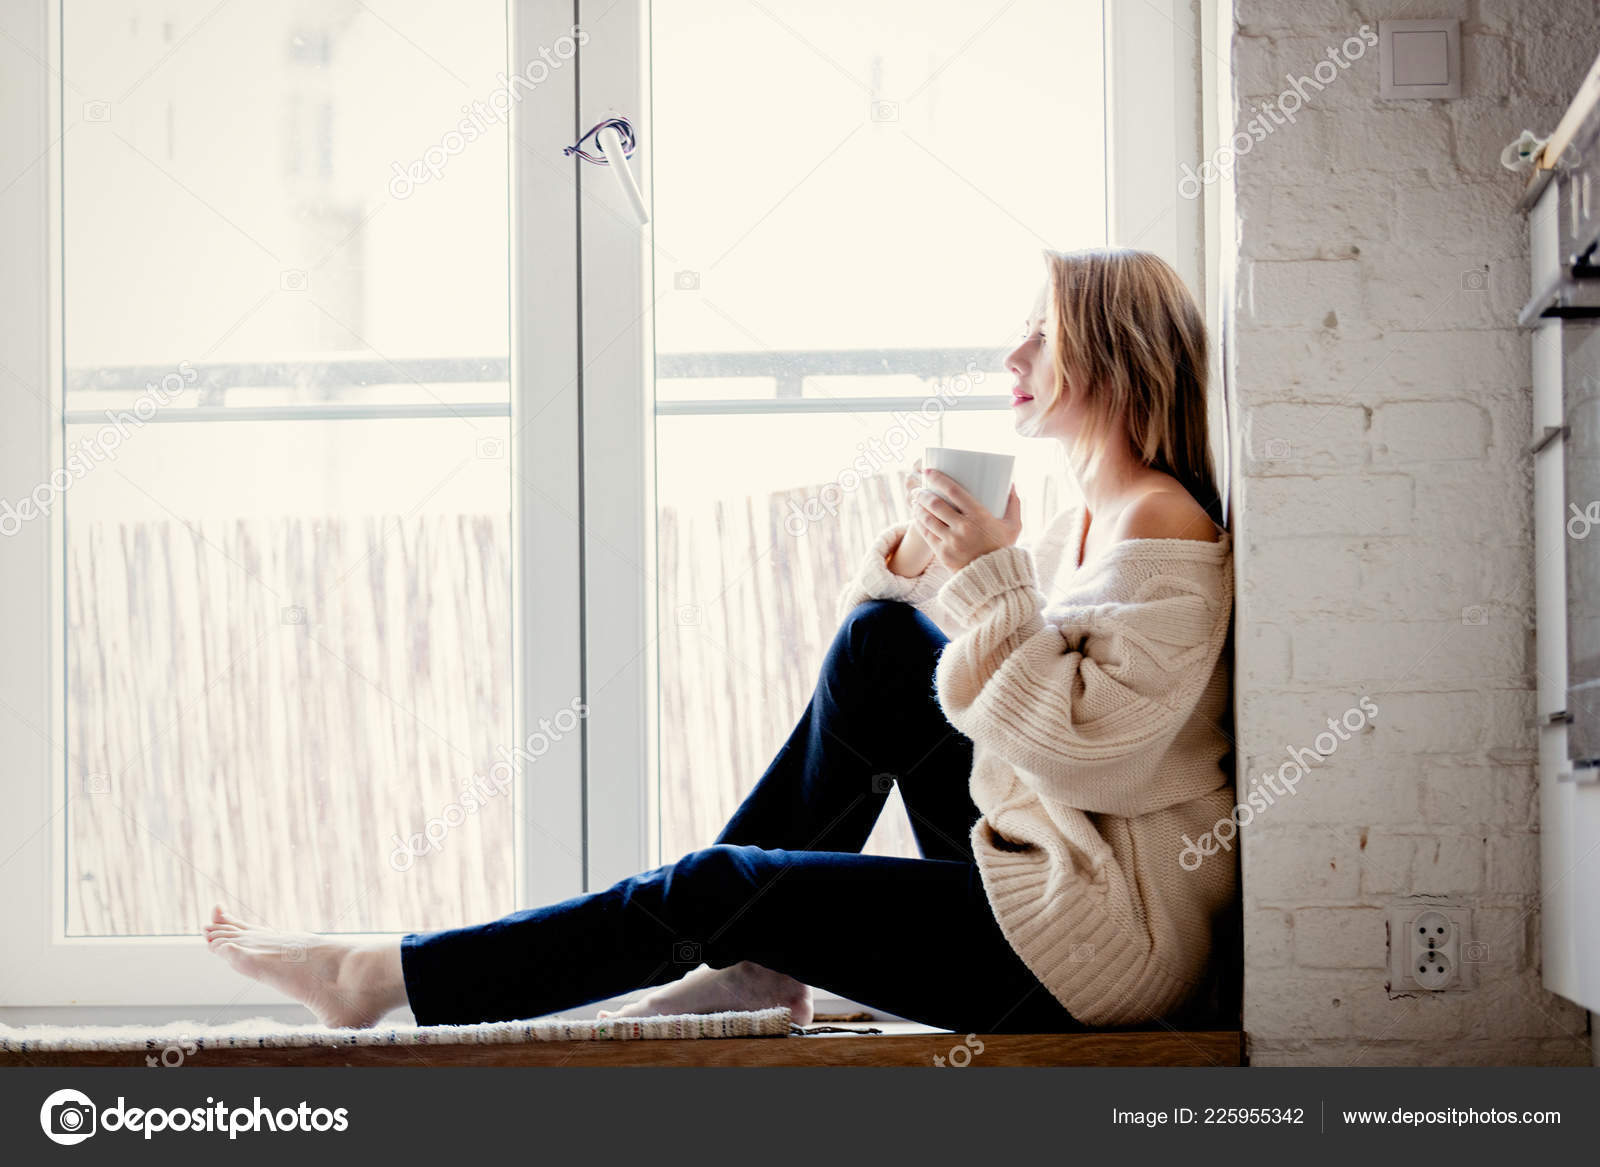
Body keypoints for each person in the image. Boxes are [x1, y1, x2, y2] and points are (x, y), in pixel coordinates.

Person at [205, 247, 1236, 1034]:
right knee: (880, 643)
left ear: (1112, 349)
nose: (1011, 358)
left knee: (720, 887)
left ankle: (380, 975)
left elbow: (1085, 755)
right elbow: (968, 679)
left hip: (1098, 947)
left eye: (1041, 334)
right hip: (1037, 878)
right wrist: (936, 563)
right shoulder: (1077, 523)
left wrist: (984, 576)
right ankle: (753, 955)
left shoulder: (1162, 520)